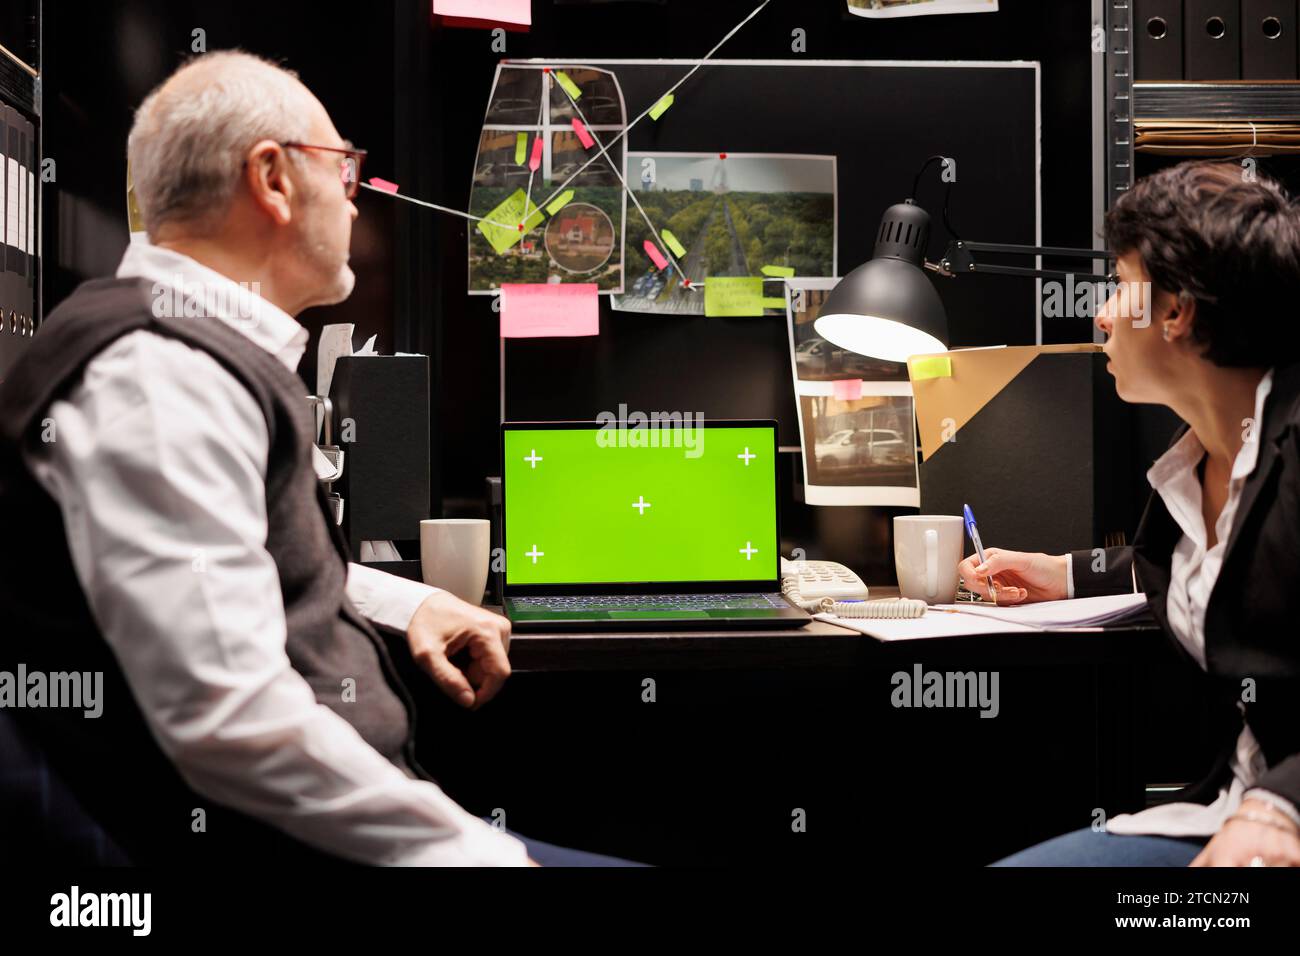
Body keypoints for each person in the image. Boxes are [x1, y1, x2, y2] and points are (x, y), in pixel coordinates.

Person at [0, 50, 638, 866]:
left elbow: (231, 560)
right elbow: (231, 722)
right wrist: (484, 858)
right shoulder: (161, 378)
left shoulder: (184, 351)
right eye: (344, 167)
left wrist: (409, 606)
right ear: (271, 179)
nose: (354, 194)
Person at [956, 160, 1300, 867]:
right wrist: (1061, 572)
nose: (1102, 312)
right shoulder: (1196, 459)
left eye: (1120, 287)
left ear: (1177, 312)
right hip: (1226, 813)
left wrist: (1280, 809)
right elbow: (1182, 565)